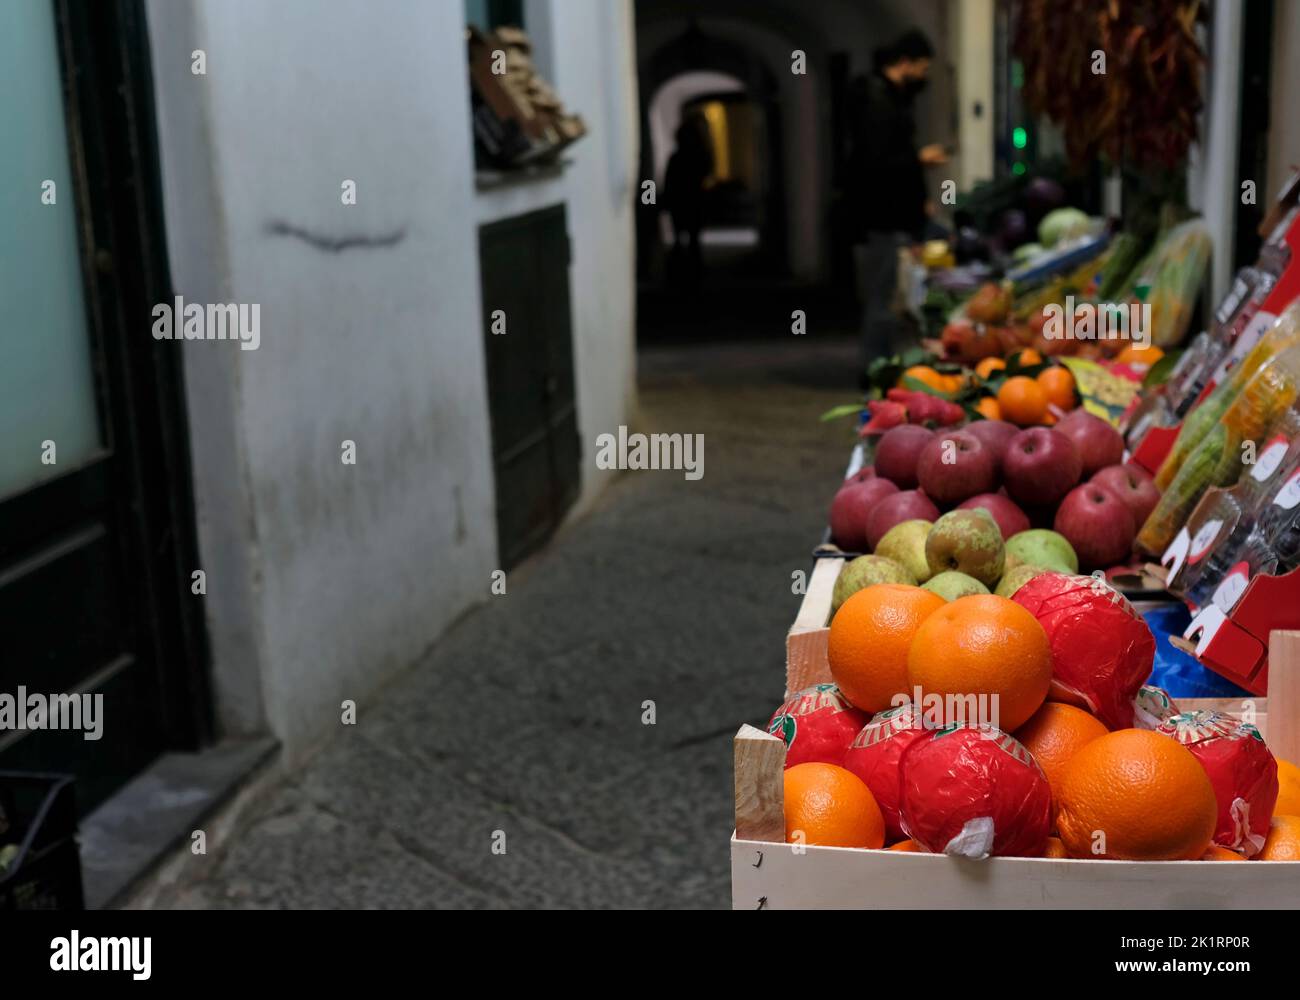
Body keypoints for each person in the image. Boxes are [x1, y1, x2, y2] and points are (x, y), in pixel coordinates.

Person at [844, 29, 947, 375]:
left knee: (886, 297)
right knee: (882, 299)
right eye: (922, 68)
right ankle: (876, 372)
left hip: (890, 216)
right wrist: (919, 159)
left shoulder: (885, 98)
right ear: (904, 63)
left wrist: (921, 200)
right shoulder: (877, 102)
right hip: (882, 218)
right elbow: (880, 163)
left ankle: (882, 367)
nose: (924, 76)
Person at [662, 111, 714, 287]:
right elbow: (707, 173)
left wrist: (665, 199)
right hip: (694, 200)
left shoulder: (677, 158)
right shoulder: (700, 155)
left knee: (680, 237)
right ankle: (694, 273)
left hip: (680, 200)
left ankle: (680, 274)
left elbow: (669, 180)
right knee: (693, 238)